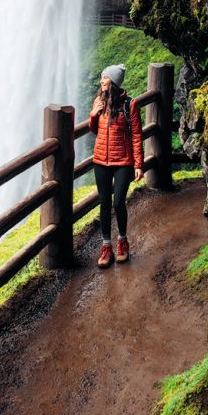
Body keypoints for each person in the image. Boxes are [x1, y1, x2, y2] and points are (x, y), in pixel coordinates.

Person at [88, 63, 144, 268]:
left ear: (113, 82)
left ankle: (122, 241)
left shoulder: (130, 105)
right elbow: (94, 130)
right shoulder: (98, 101)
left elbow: (137, 135)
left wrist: (139, 164)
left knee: (118, 202)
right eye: (102, 77)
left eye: (105, 78)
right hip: (101, 160)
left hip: (123, 161)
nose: (101, 81)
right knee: (104, 201)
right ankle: (106, 246)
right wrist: (94, 113)